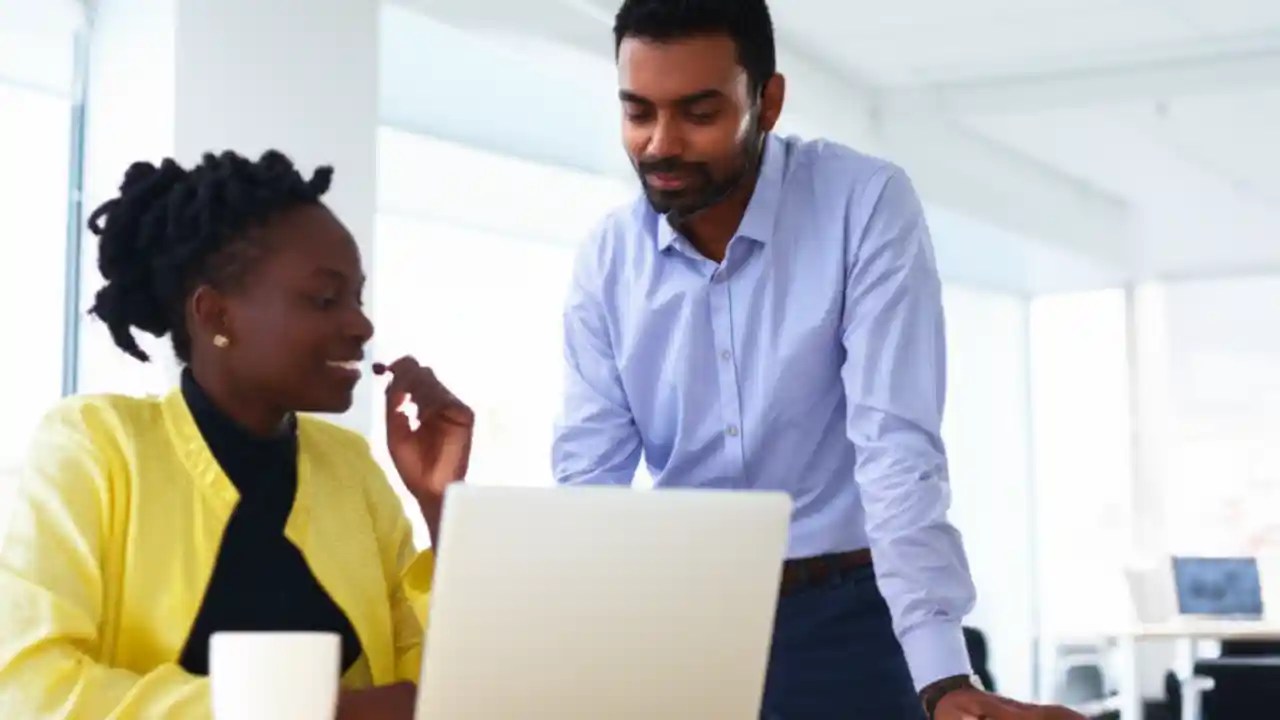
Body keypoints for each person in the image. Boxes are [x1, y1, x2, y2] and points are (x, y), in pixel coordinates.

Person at [552, 1, 1085, 718]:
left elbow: (895, 445)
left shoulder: (861, 203)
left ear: (767, 102)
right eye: (638, 112)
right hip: (679, 617)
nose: (660, 144)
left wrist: (942, 678)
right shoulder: (608, 258)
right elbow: (590, 476)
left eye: (699, 113)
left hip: (848, 621)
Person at [0, 151, 472, 719]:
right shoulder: (97, 445)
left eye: (357, 298)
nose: (361, 325)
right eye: (325, 299)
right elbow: (28, 691)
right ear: (217, 317)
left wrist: (444, 510)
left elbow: (445, 696)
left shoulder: (352, 469)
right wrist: (328, 714)